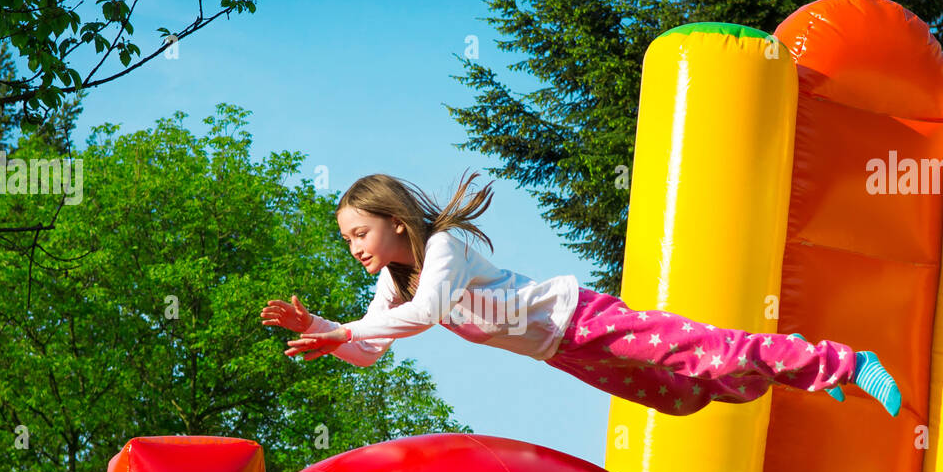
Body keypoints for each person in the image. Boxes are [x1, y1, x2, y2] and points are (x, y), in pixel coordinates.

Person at [261, 170, 901, 417]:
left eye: (358, 233)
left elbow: (427, 315)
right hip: (557, 352)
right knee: (679, 396)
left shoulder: (445, 247)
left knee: (697, 354)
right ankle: (789, 364)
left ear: (395, 221)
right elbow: (371, 353)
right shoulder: (390, 284)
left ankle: (842, 363)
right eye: (347, 240)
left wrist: (343, 332)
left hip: (579, 317)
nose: (355, 248)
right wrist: (321, 326)